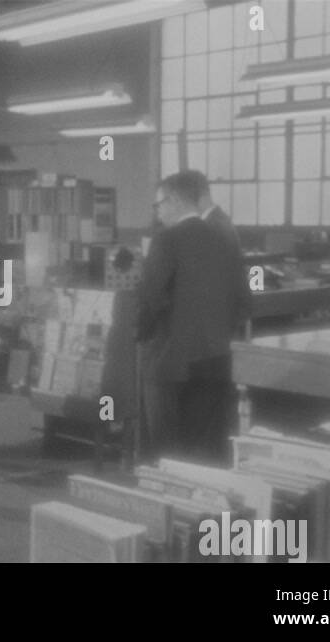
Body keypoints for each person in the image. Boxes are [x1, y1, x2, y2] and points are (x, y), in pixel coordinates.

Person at [137, 172, 250, 465]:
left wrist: (142, 337)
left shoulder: (166, 240)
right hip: (216, 362)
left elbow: (148, 300)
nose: (158, 212)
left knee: (167, 455)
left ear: (174, 200)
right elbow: (244, 303)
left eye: (159, 204)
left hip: (170, 362)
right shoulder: (226, 237)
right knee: (205, 453)